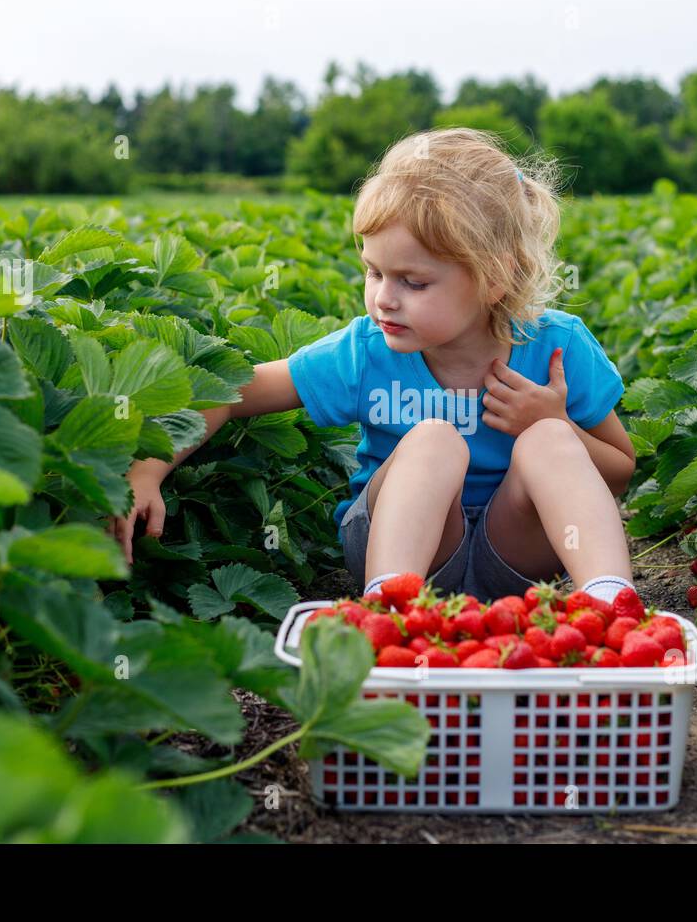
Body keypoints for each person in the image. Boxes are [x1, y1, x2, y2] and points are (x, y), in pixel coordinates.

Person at [110, 127, 637, 605]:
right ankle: (388, 607)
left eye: (413, 281)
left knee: (549, 439)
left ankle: (610, 603)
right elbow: (231, 390)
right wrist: (149, 469)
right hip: (401, 550)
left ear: (495, 277)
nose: (384, 299)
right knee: (434, 438)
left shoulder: (555, 347)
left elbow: (618, 468)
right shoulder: (367, 350)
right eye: (374, 272)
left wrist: (551, 422)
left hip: (518, 559)